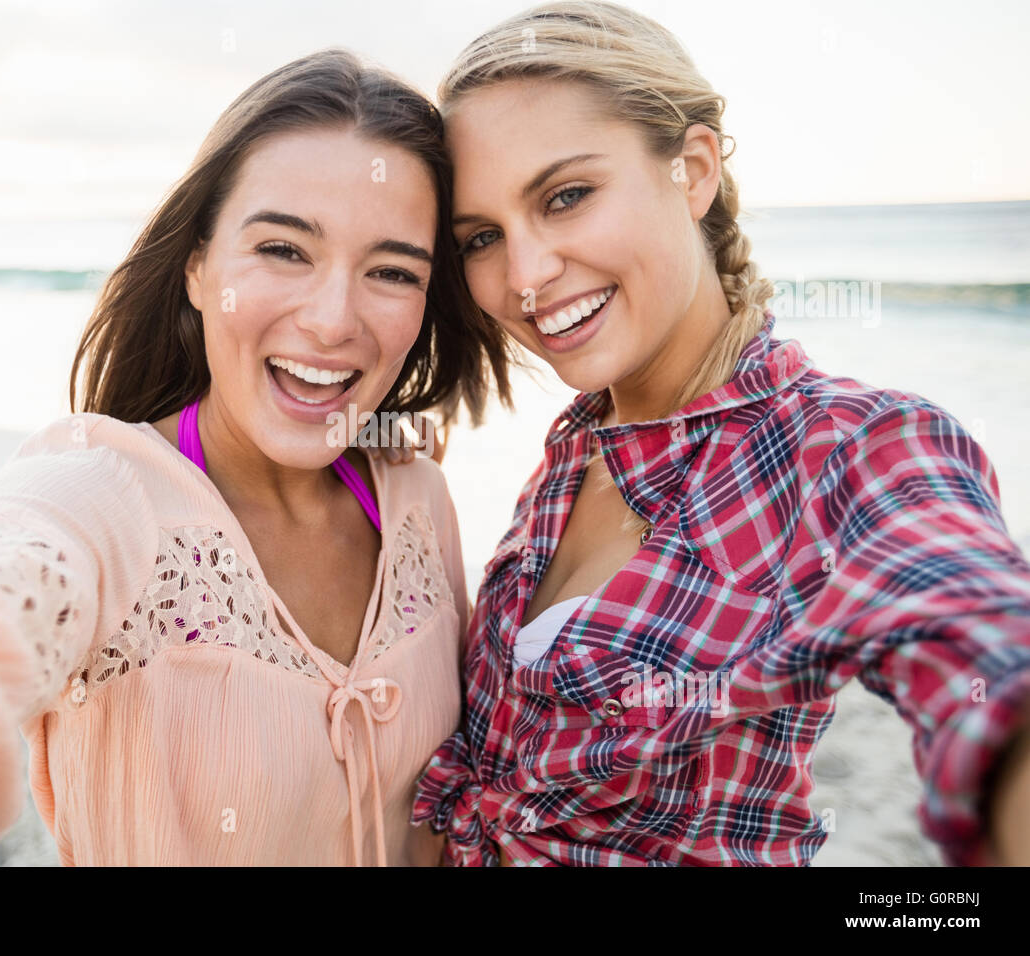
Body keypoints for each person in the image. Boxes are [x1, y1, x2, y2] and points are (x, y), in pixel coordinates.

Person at [0, 48, 512, 866]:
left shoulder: (420, 499)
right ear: (198, 269)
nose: (332, 319)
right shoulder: (103, 493)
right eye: (284, 250)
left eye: (391, 270)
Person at [410, 0, 1030, 866]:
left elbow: (979, 643)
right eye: (482, 236)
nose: (525, 275)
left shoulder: (847, 445)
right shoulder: (575, 450)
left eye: (567, 196)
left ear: (692, 169)